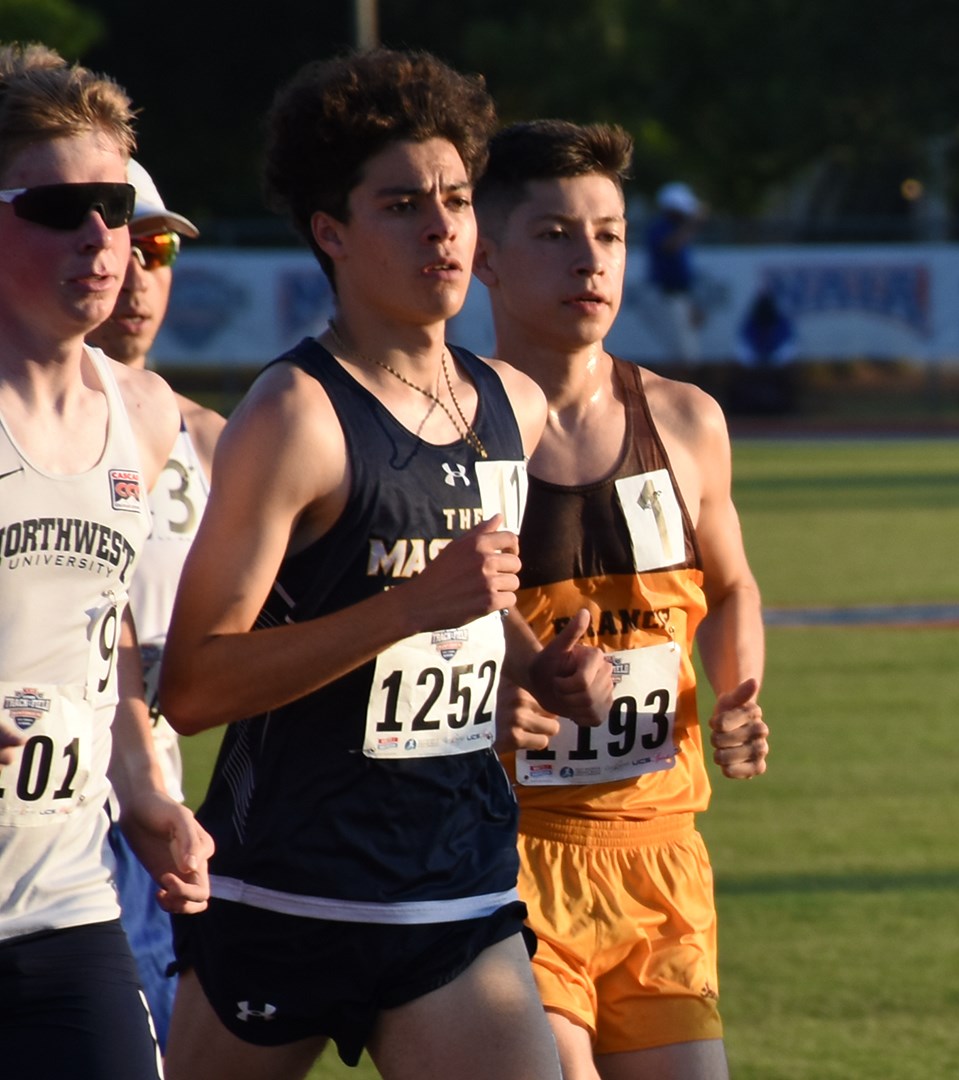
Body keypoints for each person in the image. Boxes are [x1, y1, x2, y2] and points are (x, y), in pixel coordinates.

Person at [155, 49, 611, 1080]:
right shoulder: (295, 416)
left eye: (455, 199)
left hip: (458, 895)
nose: (443, 228)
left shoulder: (513, 405)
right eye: (403, 204)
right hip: (287, 894)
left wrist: (538, 668)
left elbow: (475, 602)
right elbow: (194, 686)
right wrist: (408, 608)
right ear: (332, 233)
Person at [474, 118, 768, 1080]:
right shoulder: (450, 436)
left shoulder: (687, 420)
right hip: (509, 852)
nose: (588, 260)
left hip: (663, 861)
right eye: (554, 234)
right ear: (485, 256)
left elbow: (729, 591)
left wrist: (739, 692)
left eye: (608, 233)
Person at [0, 42, 214, 1080]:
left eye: (116, 207)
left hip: (68, 908)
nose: (100, 236)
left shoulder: (145, 416)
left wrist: (145, 794)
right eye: (56, 207)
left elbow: (108, 633)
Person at [83, 155, 218, 1052]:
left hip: (146, 806)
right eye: (124, 245)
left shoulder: (215, 440)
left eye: (158, 249)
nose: (137, 272)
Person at [644, 181, 705, 363]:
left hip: (680, 296)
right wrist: (692, 224)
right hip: (667, 295)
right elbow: (669, 246)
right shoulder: (660, 228)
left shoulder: (676, 228)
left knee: (690, 352)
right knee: (682, 354)